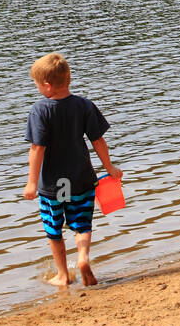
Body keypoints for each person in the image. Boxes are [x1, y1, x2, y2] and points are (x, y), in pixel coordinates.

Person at [22, 52, 121, 287]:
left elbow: (37, 148)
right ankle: (83, 258)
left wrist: (31, 183)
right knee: (81, 224)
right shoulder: (84, 105)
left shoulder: (40, 110)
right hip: (81, 179)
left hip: (53, 185)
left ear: (46, 85)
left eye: (36, 83)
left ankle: (63, 275)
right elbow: (98, 141)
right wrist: (110, 168)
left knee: (54, 231)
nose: (36, 88)